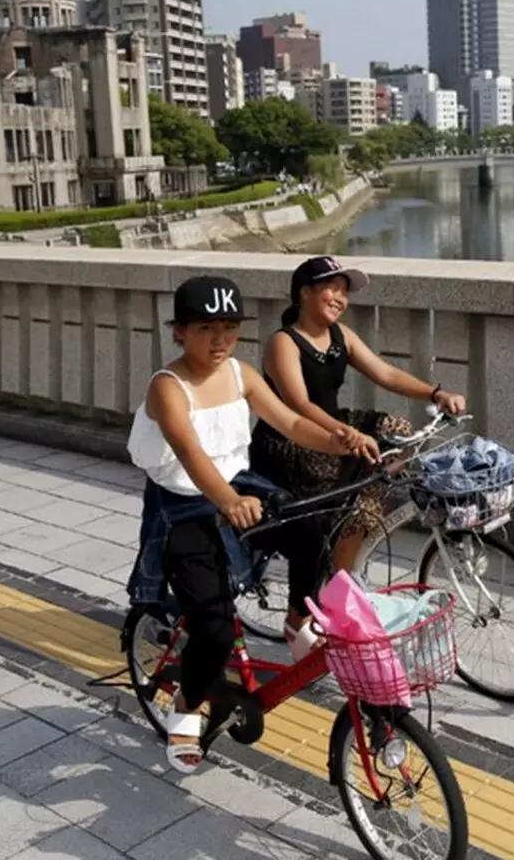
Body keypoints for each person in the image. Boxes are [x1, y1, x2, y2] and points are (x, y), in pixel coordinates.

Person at [126, 276, 378, 775]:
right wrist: (227, 501)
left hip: (239, 486)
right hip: (185, 505)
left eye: (229, 327)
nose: (219, 339)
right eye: (205, 328)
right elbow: (190, 453)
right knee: (215, 631)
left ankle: (295, 624)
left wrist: (342, 439)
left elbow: (291, 423)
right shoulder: (166, 386)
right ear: (178, 331)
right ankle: (183, 711)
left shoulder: (240, 373)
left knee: (312, 532)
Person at [249, 256, 466, 645]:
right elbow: (298, 405)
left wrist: (436, 393)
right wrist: (346, 432)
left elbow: (385, 373)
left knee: (394, 439)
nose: (340, 298)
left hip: (335, 427)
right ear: (305, 292)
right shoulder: (283, 342)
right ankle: (310, 601)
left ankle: (342, 574)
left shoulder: (341, 336)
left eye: (345, 292)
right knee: (344, 489)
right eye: (332, 288)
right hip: (292, 443)